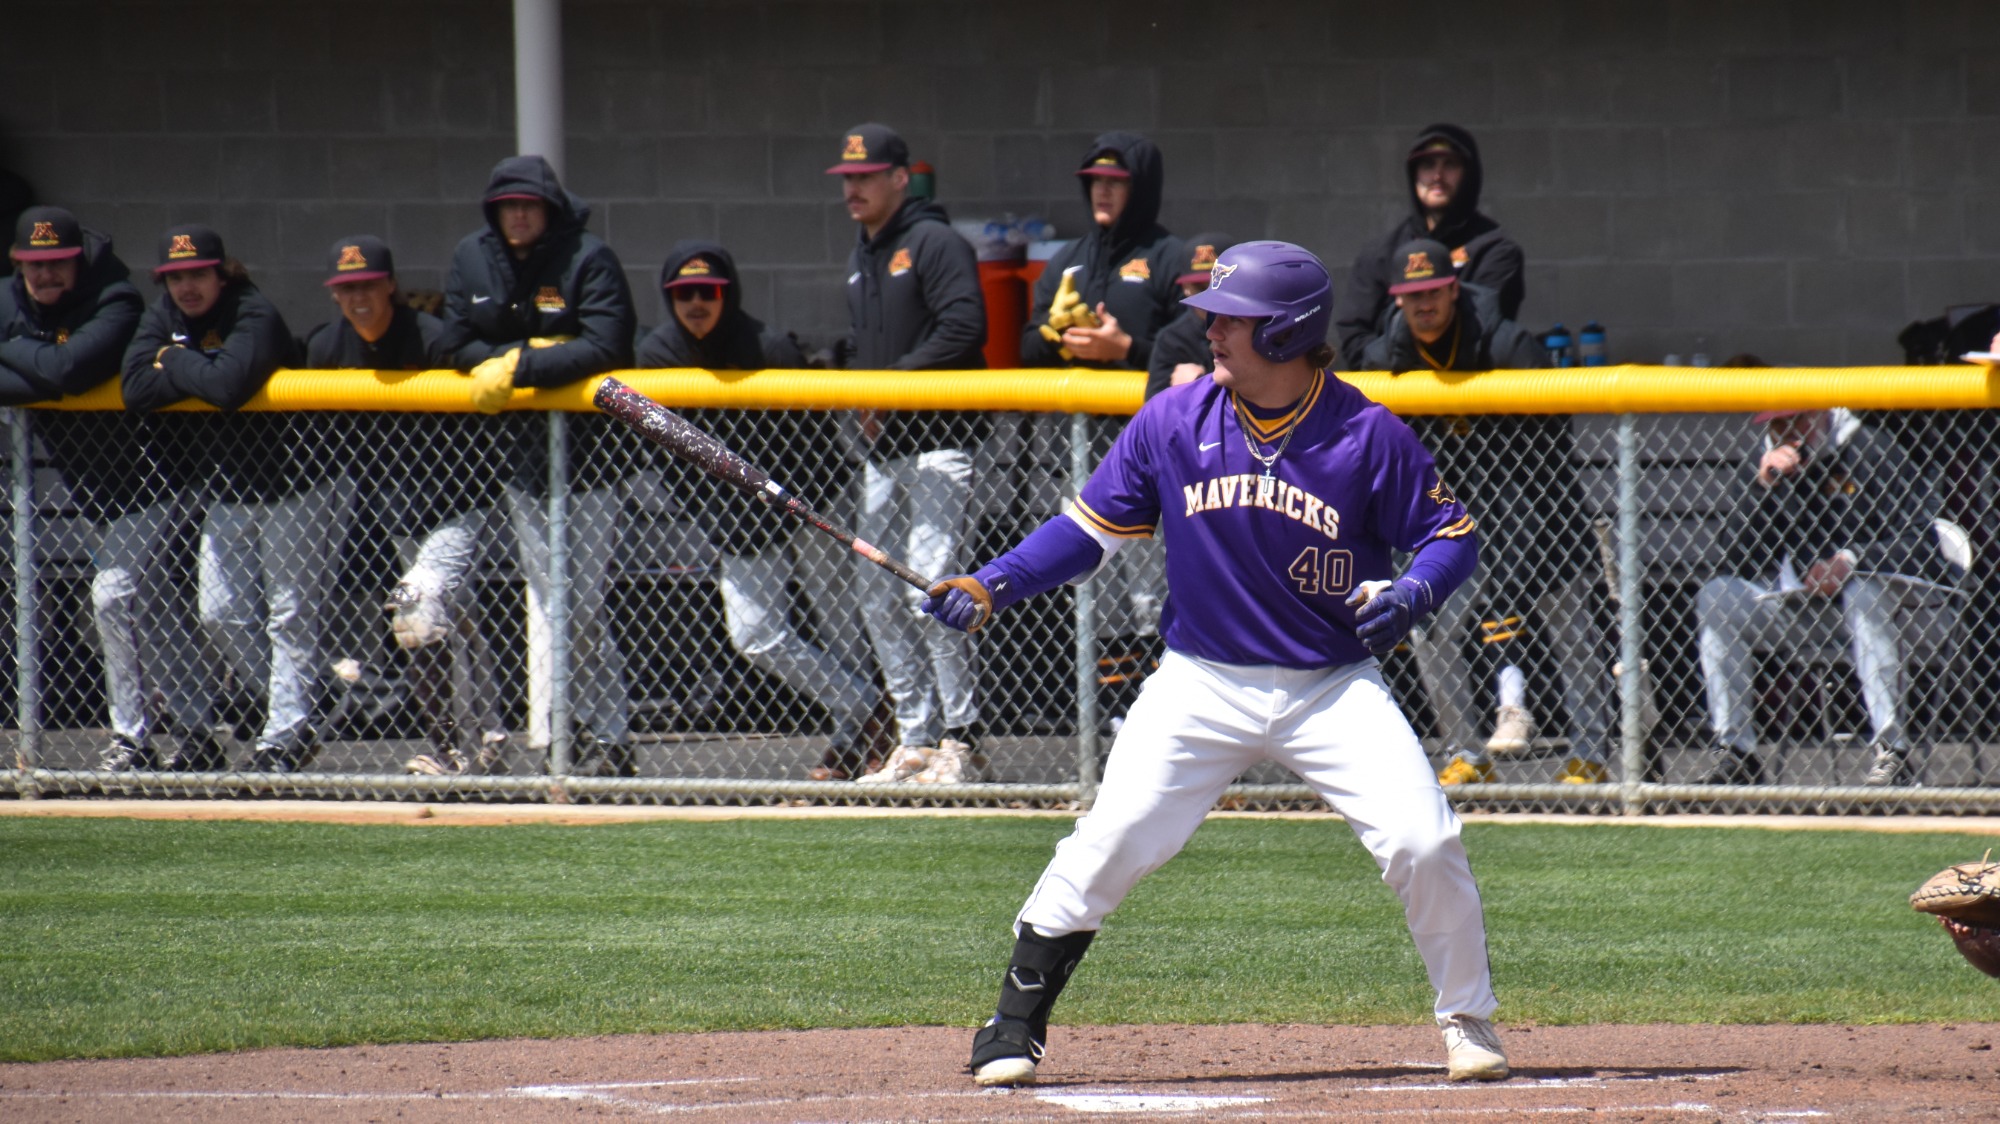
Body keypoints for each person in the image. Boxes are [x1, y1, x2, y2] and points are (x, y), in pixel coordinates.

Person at [921, 242, 1506, 1087]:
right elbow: (1086, 532)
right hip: (1200, 681)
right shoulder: (1173, 418)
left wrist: (1414, 594)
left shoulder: (1367, 433)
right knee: (1115, 836)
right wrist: (992, 583)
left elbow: (1451, 537)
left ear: (1290, 332)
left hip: (1330, 685)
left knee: (1423, 840)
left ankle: (1467, 1018)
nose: (1213, 330)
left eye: (1235, 319)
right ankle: (1012, 1024)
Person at [1363, 239, 1611, 786]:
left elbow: (1551, 447)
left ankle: (1593, 750)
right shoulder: (1388, 357)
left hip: (1531, 500)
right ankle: (1466, 755)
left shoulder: (1507, 341)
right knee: (1428, 624)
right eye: (1411, 295)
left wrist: (1538, 536)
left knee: (1566, 618)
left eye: (1432, 291)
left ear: (1453, 288)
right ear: (1397, 300)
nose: (1422, 304)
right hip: (1452, 508)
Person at [636, 242, 880, 780]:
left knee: (840, 622)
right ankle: (867, 706)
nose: (696, 303)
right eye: (683, 294)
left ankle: (853, 739)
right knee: (754, 634)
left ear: (729, 294)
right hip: (737, 511)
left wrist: (798, 508)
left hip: (809, 493)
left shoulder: (767, 346)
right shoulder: (659, 356)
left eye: (708, 292)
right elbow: (668, 457)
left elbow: (810, 443)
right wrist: (715, 513)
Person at [0, 206, 220, 769]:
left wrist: (14, 346)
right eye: (34, 265)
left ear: (78, 261)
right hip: (99, 487)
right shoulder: (8, 299)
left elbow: (70, 369)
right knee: (157, 604)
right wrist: (38, 357)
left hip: (160, 475)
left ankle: (131, 737)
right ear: (17, 263)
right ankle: (199, 735)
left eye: (57, 264)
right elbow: (52, 367)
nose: (45, 276)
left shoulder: (115, 298)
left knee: (114, 594)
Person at [440, 155, 638, 777]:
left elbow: (607, 343)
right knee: (556, 601)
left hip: (593, 460)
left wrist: (519, 367)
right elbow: (450, 340)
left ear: (549, 208)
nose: (518, 215)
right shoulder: (473, 257)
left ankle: (601, 731)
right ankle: (601, 736)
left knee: (575, 605)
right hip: (524, 458)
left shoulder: (587, 256)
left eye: (529, 204)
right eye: (507, 205)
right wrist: (517, 356)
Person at [122, 224, 337, 773]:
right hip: (227, 488)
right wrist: (189, 365)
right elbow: (133, 389)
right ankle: (305, 703)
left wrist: (171, 360)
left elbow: (227, 388)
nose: (186, 288)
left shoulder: (253, 312)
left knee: (288, 616)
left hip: (296, 483)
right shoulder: (165, 314)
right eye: (175, 277)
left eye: (197, 274)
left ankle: (283, 736)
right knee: (219, 613)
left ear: (222, 273)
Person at [300, 235, 510, 777]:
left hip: (457, 504)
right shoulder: (327, 349)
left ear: (390, 284)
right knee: (457, 622)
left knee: (416, 610)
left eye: (368, 283)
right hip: (398, 513)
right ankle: (489, 738)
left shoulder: (434, 339)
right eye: (346, 287)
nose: (358, 296)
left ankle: (448, 751)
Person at [825, 123, 989, 784]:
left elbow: (965, 326)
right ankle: (915, 736)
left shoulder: (933, 240)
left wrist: (892, 387)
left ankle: (963, 738)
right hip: (886, 452)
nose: (854, 188)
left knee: (933, 579)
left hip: (941, 443)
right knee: (874, 588)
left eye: (866, 176)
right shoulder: (862, 253)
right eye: (847, 179)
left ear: (900, 177)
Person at [1018, 133, 1186, 734]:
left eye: (1116, 180)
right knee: (1099, 591)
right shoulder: (1070, 258)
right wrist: (1056, 336)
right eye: (1094, 180)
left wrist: (1124, 350)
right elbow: (1024, 346)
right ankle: (1120, 722)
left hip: (1151, 455)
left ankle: (1172, 719)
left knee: (1149, 594)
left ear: (1140, 187)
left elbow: (1189, 351)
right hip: (1077, 453)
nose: (1103, 190)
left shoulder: (1170, 257)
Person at [1696, 407, 1955, 787]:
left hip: (1901, 615)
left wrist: (1852, 562)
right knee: (1715, 595)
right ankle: (1737, 753)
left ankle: (1893, 752)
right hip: (1806, 612)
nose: (1787, 433)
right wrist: (1761, 489)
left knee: (1863, 591)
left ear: (1821, 414)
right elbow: (1733, 557)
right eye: (1777, 424)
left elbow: (1924, 544)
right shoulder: (1769, 465)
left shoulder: (1870, 449)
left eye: (1797, 421)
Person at [1334, 124, 1525, 371]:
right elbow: (1354, 333)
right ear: (1414, 174)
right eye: (1427, 166)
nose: (1437, 176)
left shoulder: (1496, 249)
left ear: (1469, 173)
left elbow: (1479, 326)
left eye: (1450, 165)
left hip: (1472, 397)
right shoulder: (1380, 252)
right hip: (1397, 397)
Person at [1143, 233, 1234, 401]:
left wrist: (1198, 384)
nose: (1209, 297)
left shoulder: (1254, 330)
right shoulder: (1172, 340)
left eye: (1216, 285)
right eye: (1200, 287)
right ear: (1185, 287)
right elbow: (1157, 413)